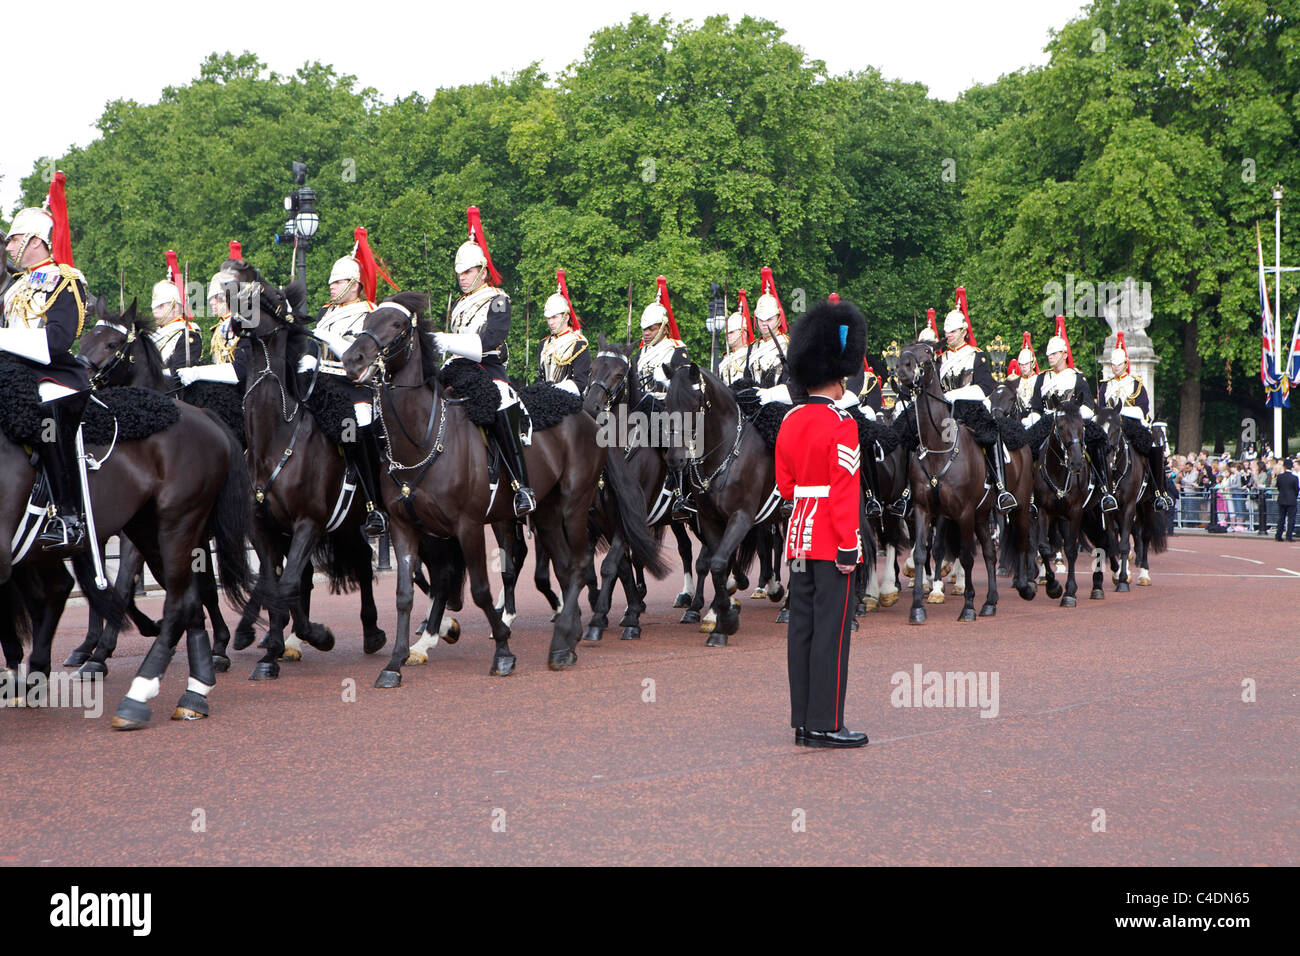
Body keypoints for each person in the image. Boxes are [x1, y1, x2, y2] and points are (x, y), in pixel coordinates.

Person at [776, 296, 868, 749]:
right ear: (839, 378)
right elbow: (845, 491)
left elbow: (786, 486)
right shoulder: (841, 424)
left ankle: (801, 721)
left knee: (802, 630)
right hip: (832, 540)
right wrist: (850, 544)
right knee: (831, 634)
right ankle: (826, 723)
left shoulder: (790, 420)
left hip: (797, 538)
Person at [0, 172, 91, 555]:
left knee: (47, 410)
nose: (9, 244)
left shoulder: (63, 279)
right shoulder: (13, 286)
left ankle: (67, 514)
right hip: (10, 371)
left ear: (36, 241)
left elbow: (58, 340)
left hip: (52, 373)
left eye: (16, 238)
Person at [432, 207, 535, 517]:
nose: (462, 279)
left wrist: (445, 340)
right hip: (456, 369)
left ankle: (521, 486)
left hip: (488, 370)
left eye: (467, 272)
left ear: (482, 270)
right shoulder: (461, 305)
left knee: (500, 399)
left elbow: (490, 341)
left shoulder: (498, 299)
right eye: (459, 274)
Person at [302, 226, 394, 536]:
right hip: (323, 386)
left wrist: (324, 335)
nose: (331, 286)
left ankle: (373, 504)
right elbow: (314, 351)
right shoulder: (324, 313)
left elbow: (357, 358)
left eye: (339, 281)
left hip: (357, 387)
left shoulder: (369, 313)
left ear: (354, 284)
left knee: (359, 429)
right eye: (331, 281)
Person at [1028, 316, 1117, 512]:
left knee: (1098, 444)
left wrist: (1075, 416)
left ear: (1063, 354)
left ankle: (1104, 490)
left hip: (1073, 422)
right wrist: (1036, 417)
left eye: (1053, 354)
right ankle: (1031, 495)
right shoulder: (1043, 378)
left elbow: (1088, 405)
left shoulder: (1077, 377)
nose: (1050, 357)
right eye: (1049, 354)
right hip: (1048, 421)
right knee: (1028, 447)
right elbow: (1035, 405)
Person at [937, 289, 1014, 512]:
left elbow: (984, 389)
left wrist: (954, 394)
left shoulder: (975, 354)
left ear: (963, 331)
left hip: (969, 408)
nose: (948, 336)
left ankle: (1000, 488)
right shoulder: (941, 359)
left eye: (952, 332)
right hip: (946, 411)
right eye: (946, 332)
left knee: (991, 433)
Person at [629, 276, 692, 520]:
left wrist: (665, 377)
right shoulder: (640, 353)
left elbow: (683, 383)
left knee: (670, 440)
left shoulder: (677, 349)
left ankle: (679, 493)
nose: (646, 333)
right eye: (644, 329)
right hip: (640, 406)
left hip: (666, 407)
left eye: (651, 328)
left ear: (663, 327)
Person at [1104, 333, 1173, 510]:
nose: (1114, 368)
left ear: (1125, 364)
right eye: (1112, 364)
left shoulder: (1136, 383)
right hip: (1110, 425)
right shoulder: (1105, 385)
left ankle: (1159, 491)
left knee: (1152, 448)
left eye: (1118, 364)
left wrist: (1122, 412)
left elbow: (1143, 408)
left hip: (1131, 424)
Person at [177, 242, 246, 389]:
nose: (212, 303)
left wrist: (198, 372)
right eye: (211, 299)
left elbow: (240, 369)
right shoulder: (221, 325)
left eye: (217, 298)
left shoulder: (244, 323)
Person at [536, 268, 590, 395]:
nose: (550, 322)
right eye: (548, 318)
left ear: (566, 317)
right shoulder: (543, 344)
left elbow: (580, 382)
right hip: (545, 398)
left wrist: (553, 391)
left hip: (569, 400)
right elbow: (541, 377)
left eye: (554, 317)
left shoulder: (578, 343)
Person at [149, 251, 203, 374]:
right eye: (154, 307)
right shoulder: (153, 334)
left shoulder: (187, 334)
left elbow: (179, 372)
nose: (155, 311)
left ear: (174, 308)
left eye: (161, 306)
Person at [717, 289, 754, 387]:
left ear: (743, 332)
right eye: (727, 333)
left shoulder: (752, 356)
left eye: (732, 332)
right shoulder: (724, 359)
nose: (728, 335)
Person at [1275, 458, 1297, 542]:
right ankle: (1289, 536)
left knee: (1281, 518)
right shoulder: (1294, 478)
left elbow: (1278, 487)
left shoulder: (1280, 477)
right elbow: (1296, 489)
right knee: (1291, 519)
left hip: (1282, 498)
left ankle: (1278, 535)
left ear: (1284, 467)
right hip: (1291, 499)